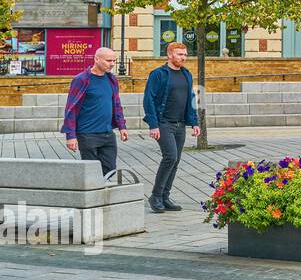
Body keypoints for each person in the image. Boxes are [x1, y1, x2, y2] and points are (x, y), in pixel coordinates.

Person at [143, 41, 201, 213]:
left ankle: (165, 197)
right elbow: (149, 99)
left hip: (180, 124)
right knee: (170, 157)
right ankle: (155, 196)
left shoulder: (186, 74)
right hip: (164, 123)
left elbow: (190, 99)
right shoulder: (159, 74)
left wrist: (194, 122)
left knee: (175, 161)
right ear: (169, 55)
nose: (183, 57)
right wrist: (153, 125)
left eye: (185, 55)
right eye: (179, 54)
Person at [61, 47, 129, 179]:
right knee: (92, 173)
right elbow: (71, 108)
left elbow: (116, 104)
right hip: (87, 134)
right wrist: (70, 136)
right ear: (96, 59)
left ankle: (103, 197)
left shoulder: (111, 79)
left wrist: (122, 126)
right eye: (109, 60)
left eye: (114, 60)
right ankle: (93, 198)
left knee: (110, 170)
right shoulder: (81, 79)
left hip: (108, 134)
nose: (112, 64)